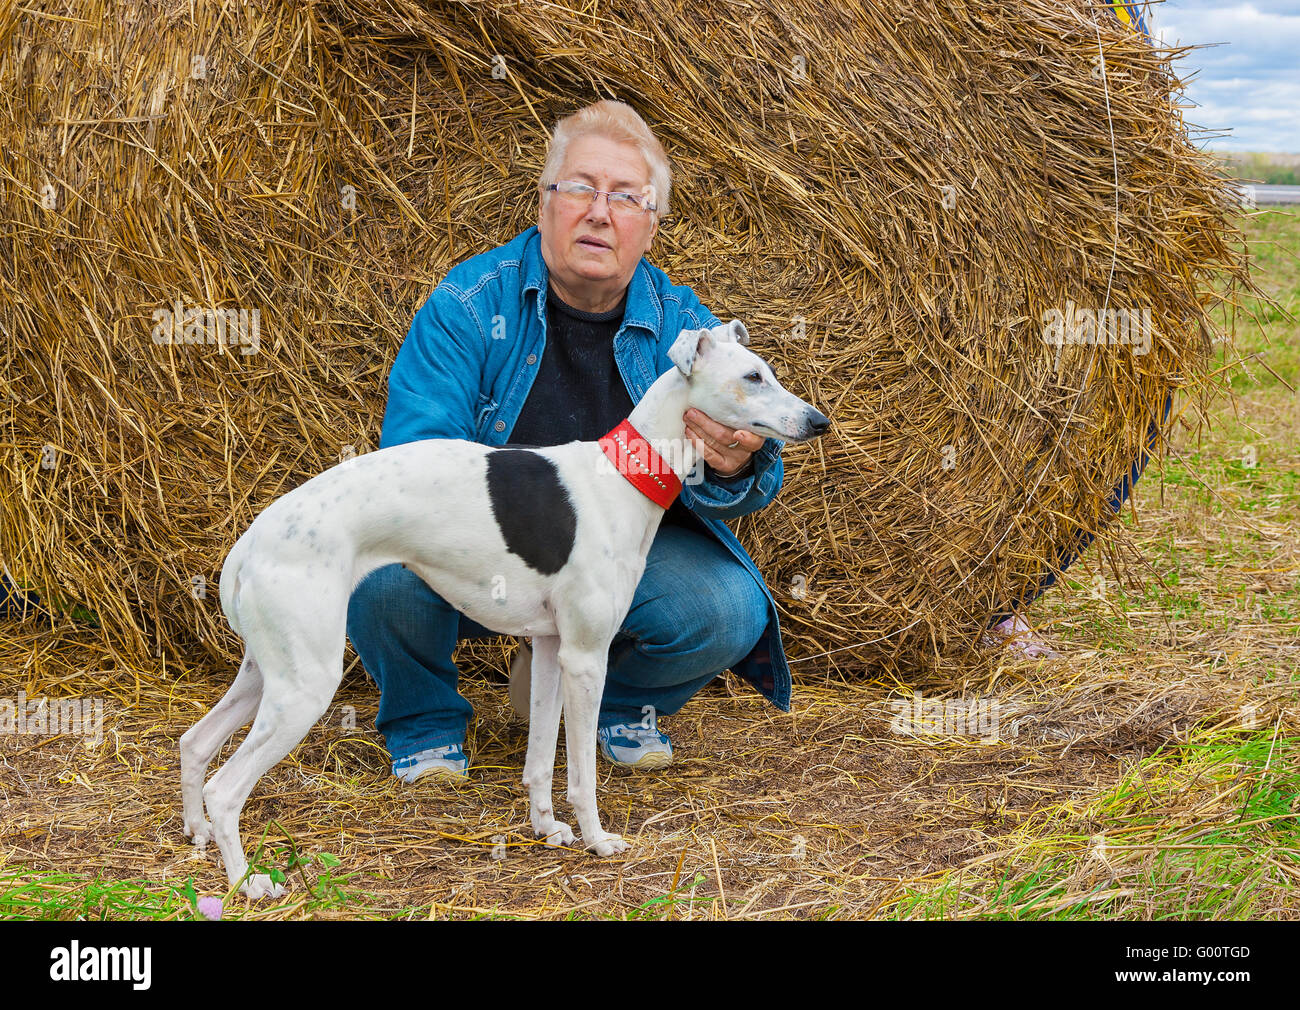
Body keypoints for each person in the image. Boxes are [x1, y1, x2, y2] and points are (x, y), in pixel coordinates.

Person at [346, 100, 794, 782]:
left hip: (610, 556)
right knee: (382, 567)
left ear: (651, 226)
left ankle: (612, 700)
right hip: (480, 544)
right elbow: (414, 466)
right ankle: (427, 725)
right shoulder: (468, 305)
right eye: (579, 188)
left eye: (625, 197)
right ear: (544, 201)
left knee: (727, 608)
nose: (598, 211)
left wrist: (735, 463)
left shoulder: (685, 324)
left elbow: (753, 470)